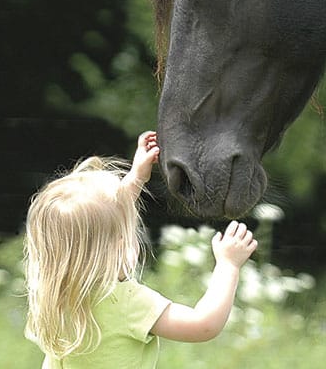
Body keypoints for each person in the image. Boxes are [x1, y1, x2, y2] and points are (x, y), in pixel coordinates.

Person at [23, 131, 257, 368]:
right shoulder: (126, 303)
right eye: (129, 234)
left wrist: (135, 178)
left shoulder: (54, 296)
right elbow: (203, 324)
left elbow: (102, 224)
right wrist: (228, 265)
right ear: (113, 251)